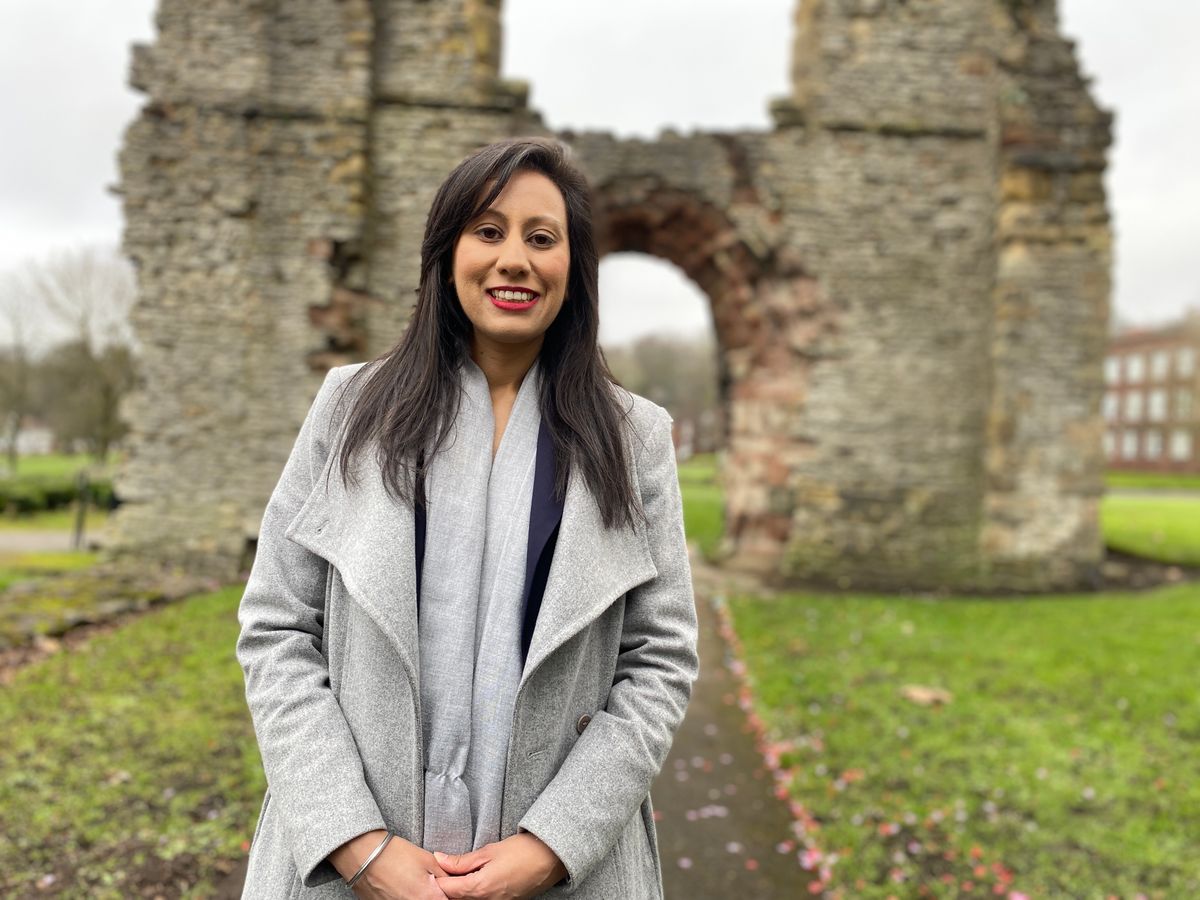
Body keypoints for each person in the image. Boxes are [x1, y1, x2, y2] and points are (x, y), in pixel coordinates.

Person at [236, 137, 699, 899]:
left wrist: (553, 845)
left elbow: (660, 660)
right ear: (446, 253)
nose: (513, 259)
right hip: (346, 870)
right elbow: (277, 628)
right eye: (488, 231)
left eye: (541, 238)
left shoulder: (633, 439)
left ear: (572, 270)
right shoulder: (350, 410)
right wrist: (355, 842)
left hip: (562, 878)